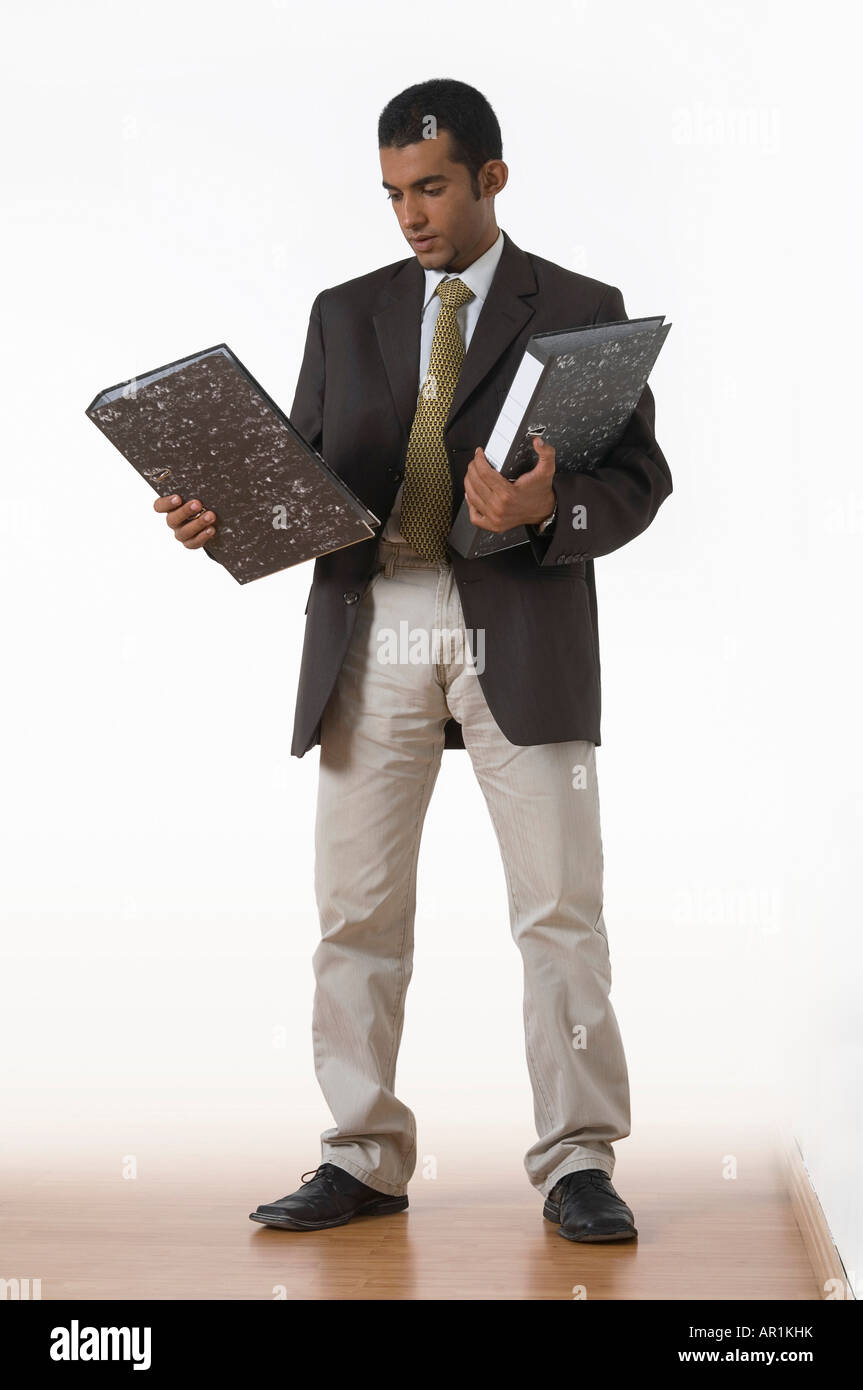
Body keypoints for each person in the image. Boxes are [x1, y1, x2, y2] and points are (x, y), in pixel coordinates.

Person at [154, 78, 672, 1243]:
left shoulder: (582, 307)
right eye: (392, 193)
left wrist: (550, 507)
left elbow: (639, 483)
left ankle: (578, 1160)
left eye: (431, 187)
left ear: (492, 175)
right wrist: (221, 520)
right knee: (355, 911)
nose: (410, 215)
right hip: (372, 622)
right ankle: (361, 1152)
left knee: (558, 911)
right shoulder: (344, 312)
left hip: (520, 624)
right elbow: (298, 477)